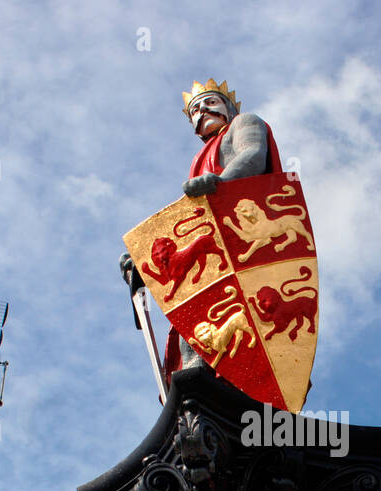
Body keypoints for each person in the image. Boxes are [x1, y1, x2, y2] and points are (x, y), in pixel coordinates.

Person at [120, 80, 283, 374]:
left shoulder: (245, 123)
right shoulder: (200, 159)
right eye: (195, 109)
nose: (203, 110)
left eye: (210, 102)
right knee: (194, 327)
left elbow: (252, 156)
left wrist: (220, 182)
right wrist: (143, 260)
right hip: (215, 247)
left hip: (241, 234)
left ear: (229, 108)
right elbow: (192, 223)